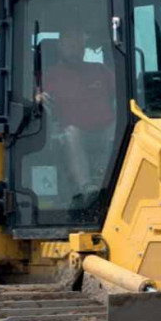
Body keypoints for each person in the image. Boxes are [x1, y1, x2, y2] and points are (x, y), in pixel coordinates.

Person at [33, 23, 117, 200]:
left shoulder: (99, 69)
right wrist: (38, 98)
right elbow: (37, 97)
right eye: (71, 45)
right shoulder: (51, 75)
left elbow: (120, 92)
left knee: (120, 130)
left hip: (106, 130)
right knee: (72, 134)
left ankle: (116, 182)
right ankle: (87, 188)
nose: (76, 49)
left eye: (79, 45)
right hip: (74, 132)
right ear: (60, 46)